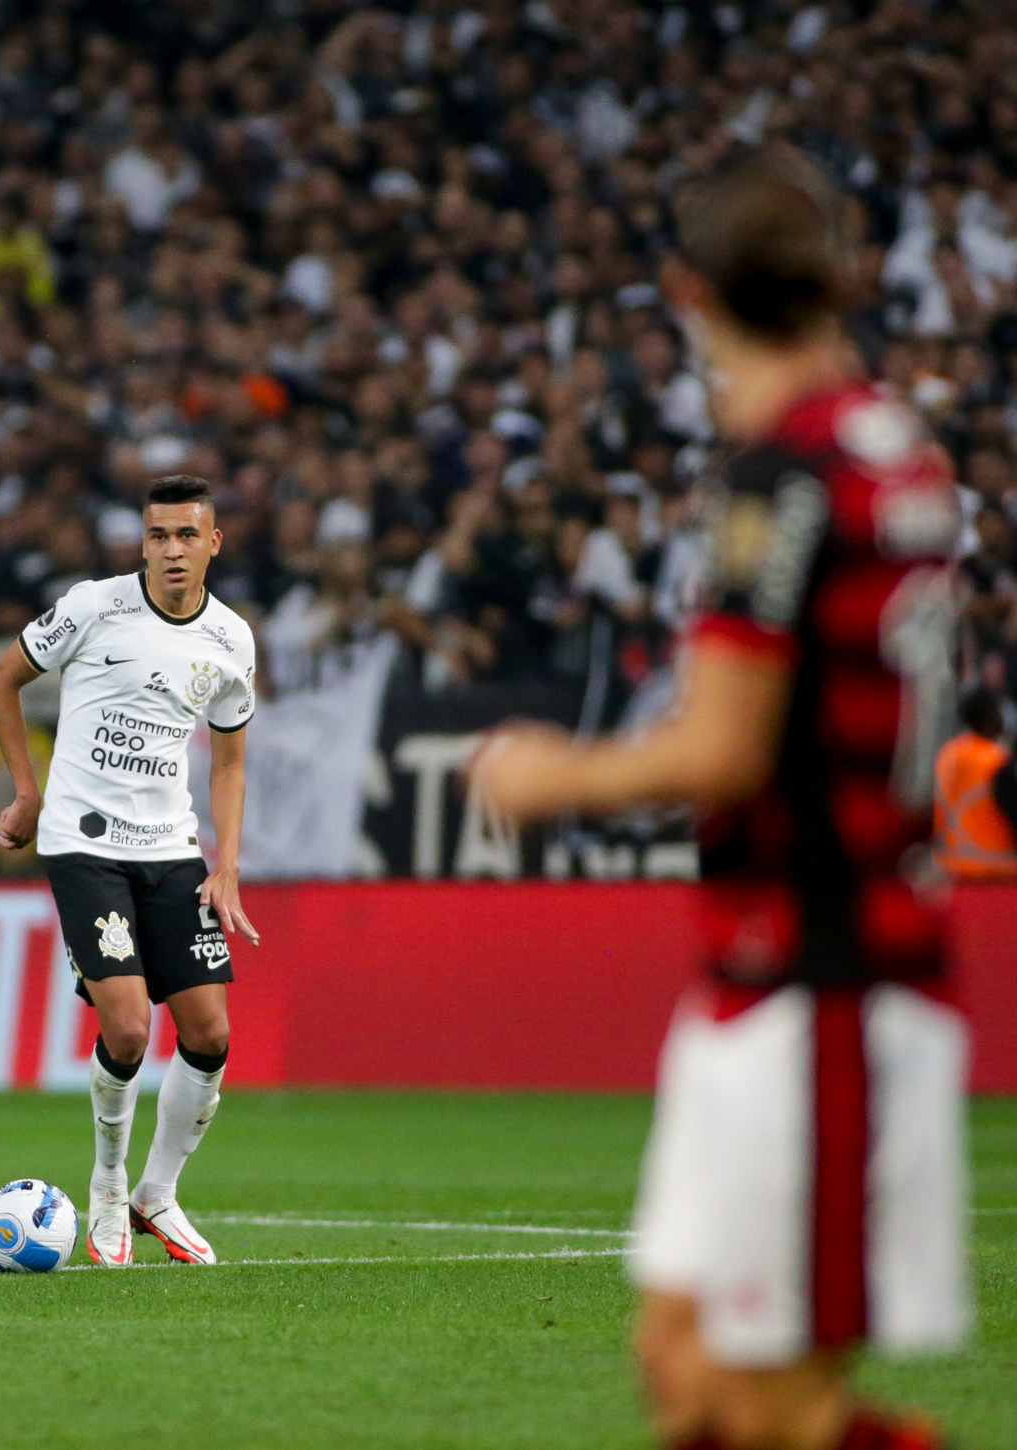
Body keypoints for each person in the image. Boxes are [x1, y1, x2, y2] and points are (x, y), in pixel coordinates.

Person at [474, 155, 969, 1450]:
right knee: (685, 1362)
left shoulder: (785, 473)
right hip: (775, 965)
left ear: (687, 291)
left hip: (827, 970)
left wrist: (550, 772)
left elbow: (723, 750)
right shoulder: (891, 448)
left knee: (780, 1402)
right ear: (841, 281)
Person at [0, 474, 260, 1267]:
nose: (170, 551)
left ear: (213, 543)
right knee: (131, 1027)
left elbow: (231, 762)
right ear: (143, 542)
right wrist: (28, 794)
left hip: (172, 849)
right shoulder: (93, 606)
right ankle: (106, 1185)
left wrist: (227, 862)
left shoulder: (232, 640)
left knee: (209, 1033)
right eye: (157, 536)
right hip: (83, 842)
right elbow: (2, 679)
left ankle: (156, 1195)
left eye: (185, 536)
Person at [932, 685, 1017, 879]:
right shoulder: (995, 760)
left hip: (951, 866)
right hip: (994, 868)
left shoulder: (947, 755)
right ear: (987, 719)